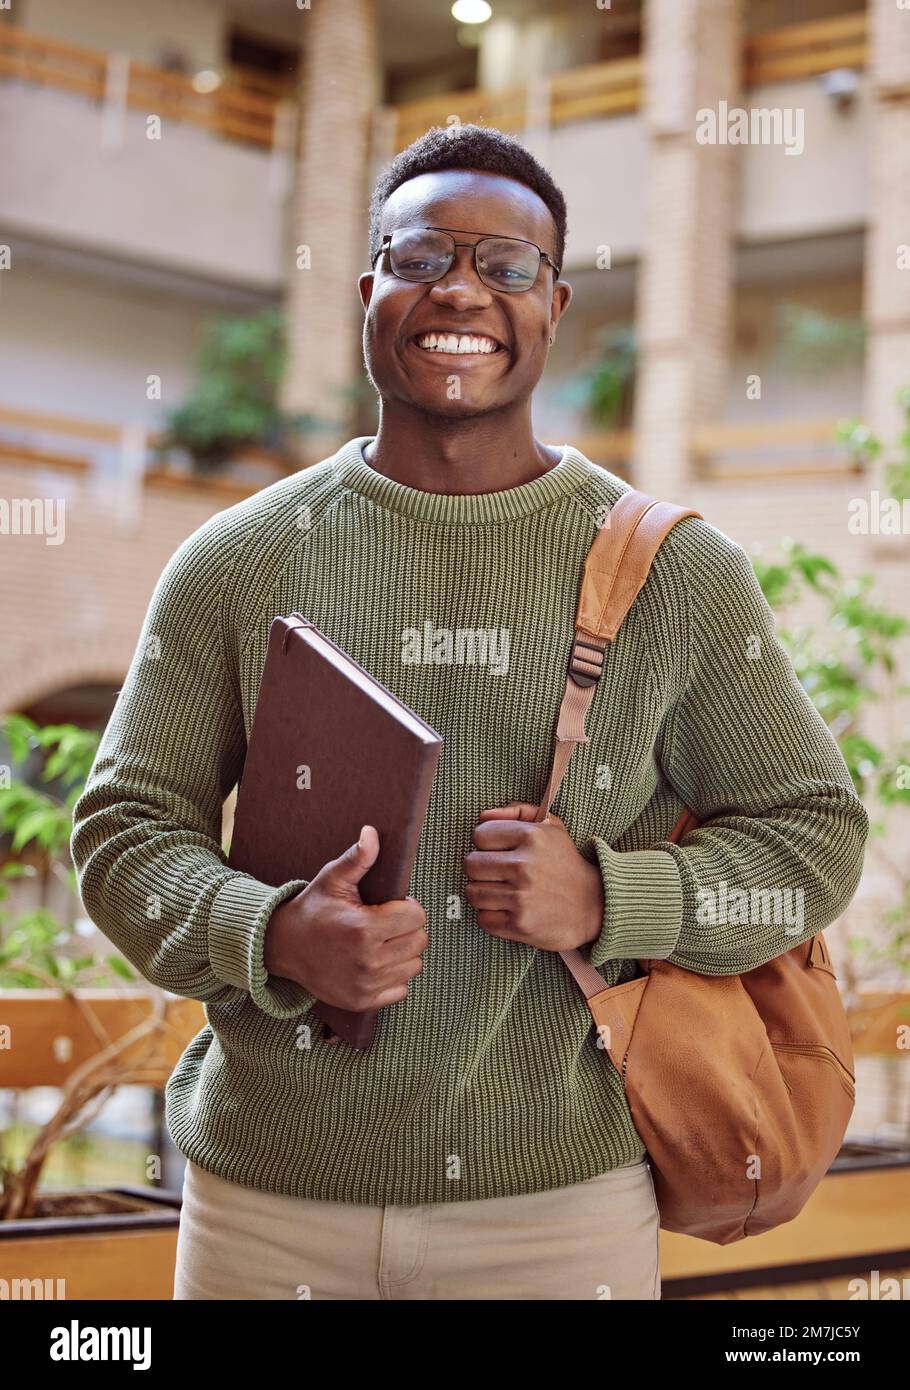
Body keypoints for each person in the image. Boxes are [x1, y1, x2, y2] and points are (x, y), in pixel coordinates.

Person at [70, 125, 868, 1301]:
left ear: (551, 304)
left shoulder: (676, 576)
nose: (459, 289)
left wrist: (609, 897)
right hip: (264, 1203)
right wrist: (274, 933)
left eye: (504, 266)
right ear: (368, 291)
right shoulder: (233, 560)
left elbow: (814, 836)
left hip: (557, 1210)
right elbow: (123, 831)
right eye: (421, 255)